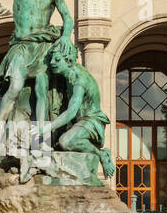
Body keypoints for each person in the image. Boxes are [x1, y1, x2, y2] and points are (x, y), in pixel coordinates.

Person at [0, 0, 76, 129]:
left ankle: (41, 138)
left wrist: (66, 36)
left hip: (41, 46)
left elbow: (67, 18)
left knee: (42, 90)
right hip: (21, 45)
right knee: (15, 86)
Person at [46, 46, 115, 181]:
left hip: (92, 120)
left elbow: (71, 112)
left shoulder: (80, 80)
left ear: (69, 60)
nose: (52, 62)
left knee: (66, 142)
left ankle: (101, 154)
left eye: (57, 59)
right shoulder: (68, 75)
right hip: (78, 121)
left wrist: (47, 127)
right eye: (52, 59)